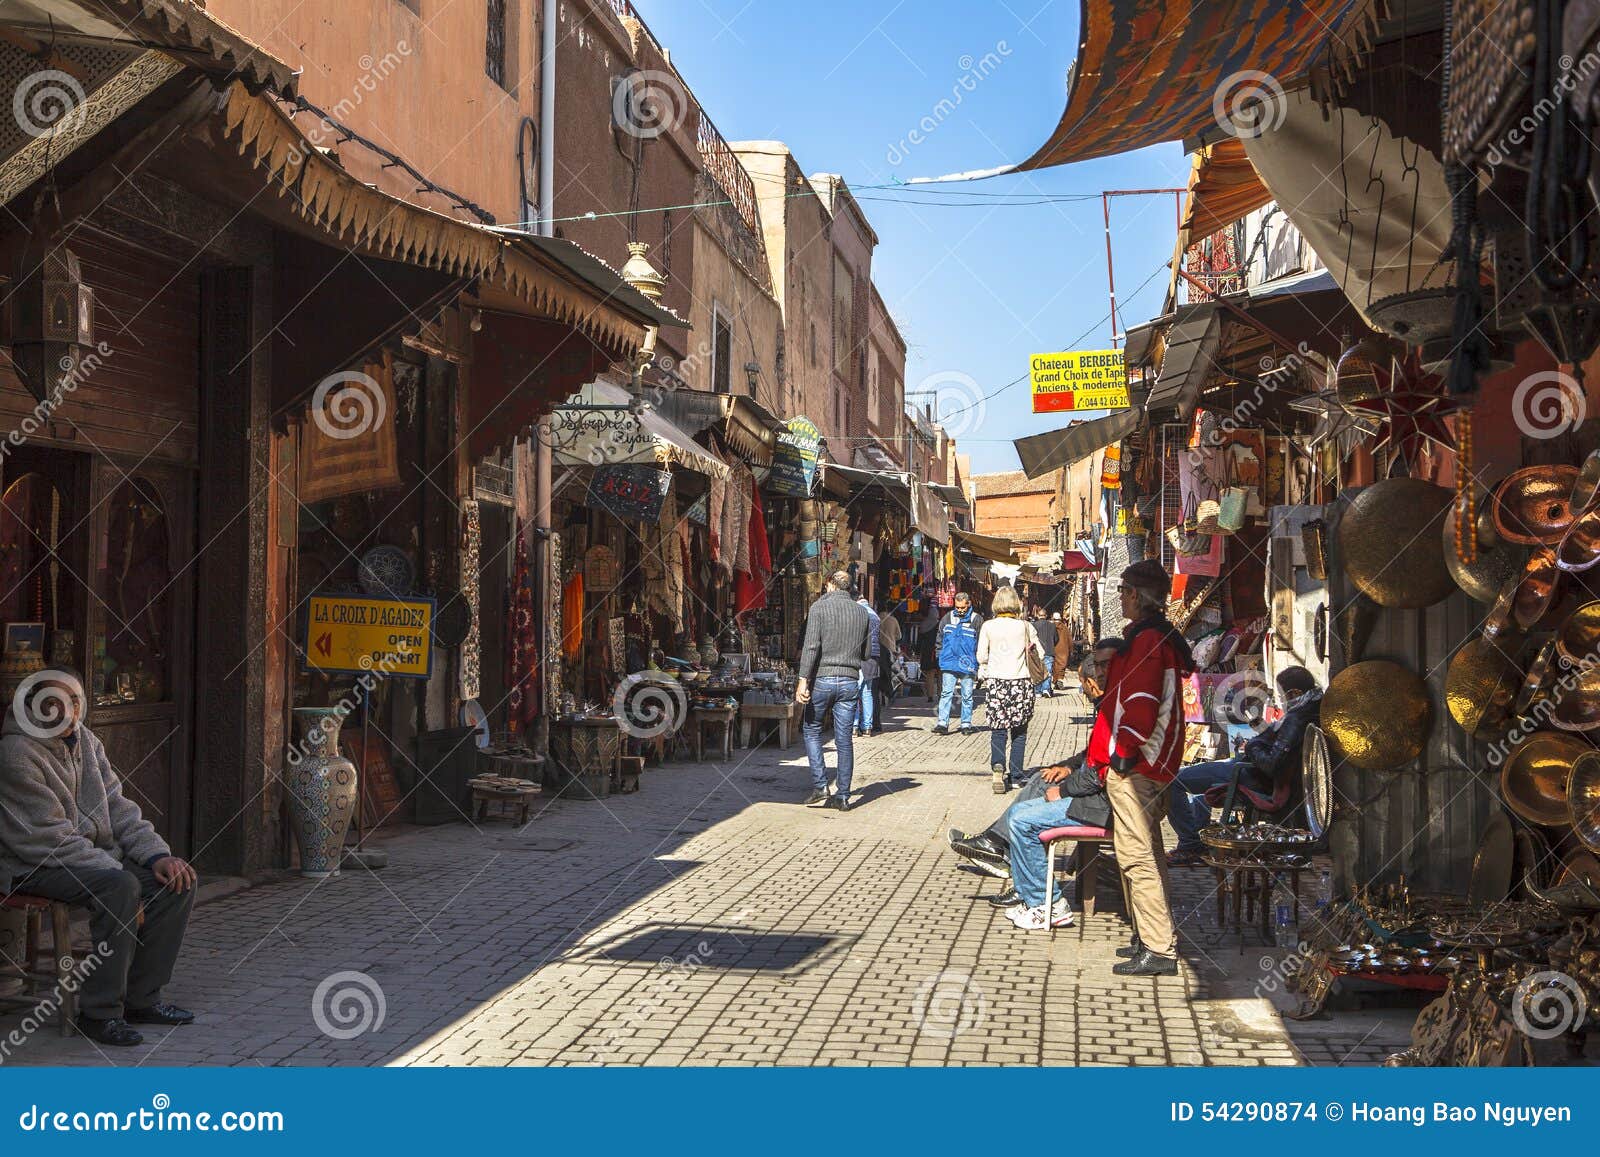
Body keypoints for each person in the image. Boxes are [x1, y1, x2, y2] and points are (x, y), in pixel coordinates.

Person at [0, 669, 198, 1047]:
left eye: (73, 701)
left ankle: (142, 999)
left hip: (89, 860)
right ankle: (99, 1014)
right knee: (119, 887)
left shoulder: (86, 742)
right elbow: (48, 838)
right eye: (53, 702)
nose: (65, 711)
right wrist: (116, 871)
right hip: (33, 865)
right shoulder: (15, 753)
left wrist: (157, 855)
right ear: (31, 708)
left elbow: (118, 806)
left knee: (176, 881)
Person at [946, 640, 1121, 883]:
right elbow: (1091, 755)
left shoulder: (1118, 710)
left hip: (1105, 805)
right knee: (1044, 776)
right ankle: (998, 846)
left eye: (1105, 666)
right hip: (1103, 796)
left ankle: (1031, 889)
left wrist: (1064, 788)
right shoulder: (1112, 707)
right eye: (1099, 666)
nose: (1098, 676)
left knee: (1025, 813)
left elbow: (1098, 772)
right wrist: (1067, 767)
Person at [1095, 560, 1193, 977]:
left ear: (1135, 594)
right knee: (1146, 854)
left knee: (1139, 859)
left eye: (1123, 591)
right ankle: (1149, 937)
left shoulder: (1149, 641)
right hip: (1148, 764)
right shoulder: (1154, 638)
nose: (1120, 597)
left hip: (1140, 766)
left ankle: (1158, 947)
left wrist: (1126, 752)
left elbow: (1142, 702)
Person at [1167, 665, 1323, 865]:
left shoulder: (1296, 718)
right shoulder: (1309, 708)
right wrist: (1260, 734)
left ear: (1294, 693)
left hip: (1250, 775)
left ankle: (1190, 845)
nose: (1279, 700)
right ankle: (1195, 843)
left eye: (1281, 695)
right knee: (1196, 793)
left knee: (1174, 781)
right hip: (1248, 768)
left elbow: (1272, 764)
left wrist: (1252, 746)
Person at [795, 571, 872, 811]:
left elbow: (810, 647)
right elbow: (867, 653)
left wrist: (802, 680)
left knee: (811, 729)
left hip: (822, 679)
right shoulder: (862, 612)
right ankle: (844, 796)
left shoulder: (818, 608)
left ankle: (821, 786)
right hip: (849, 681)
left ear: (829, 585)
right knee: (844, 739)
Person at [976, 586, 1046, 794]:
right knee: (1019, 732)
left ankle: (998, 768)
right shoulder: (1025, 627)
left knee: (998, 730)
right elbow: (1039, 653)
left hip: (997, 682)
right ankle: (1016, 775)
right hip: (1021, 683)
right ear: (1017, 603)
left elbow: (981, 656)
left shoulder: (988, 626)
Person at [933, 590, 982, 736]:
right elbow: (939, 638)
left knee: (967, 695)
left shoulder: (976, 620)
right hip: (949, 662)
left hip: (968, 665)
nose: (960, 610)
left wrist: (978, 664)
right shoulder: (947, 618)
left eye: (963, 608)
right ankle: (942, 723)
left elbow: (980, 642)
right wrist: (939, 656)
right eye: (957, 607)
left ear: (969, 604)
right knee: (946, 693)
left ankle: (966, 723)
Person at [854, 595, 881, 738]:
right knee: (867, 691)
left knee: (855, 691)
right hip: (873, 657)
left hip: (862, 656)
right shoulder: (874, 615)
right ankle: (867, 727)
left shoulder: (859, 613)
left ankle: (854, 725)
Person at [876, 605, 902, 730]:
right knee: (889, 674)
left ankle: (881, 697)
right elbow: (899, 636)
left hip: (878, 650)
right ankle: (889, 695)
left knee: (878, 675)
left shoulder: (876, 619)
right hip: (890, 649)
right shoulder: (893, 620)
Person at [1029, 606, 1057, 697]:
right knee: (1048, 671)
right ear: (1046, 615)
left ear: (1038, 615)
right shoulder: (1052, 626)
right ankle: (1046, 688)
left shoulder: (1033, 625)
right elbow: (1056, 638)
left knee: (1037, 670)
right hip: (1049, 651)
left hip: (1037, 652)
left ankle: (1038, 690)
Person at [1051, 611, 1072, 686]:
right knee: (1061, 666)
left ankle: (1055, 681)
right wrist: (1071, 649)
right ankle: (1059, 679)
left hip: (1053, 649)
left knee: (1054, 666)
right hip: (1063, 650)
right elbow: (1069, 640)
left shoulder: (1050, 627)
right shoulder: (1065, 628)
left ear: (1053, 618)